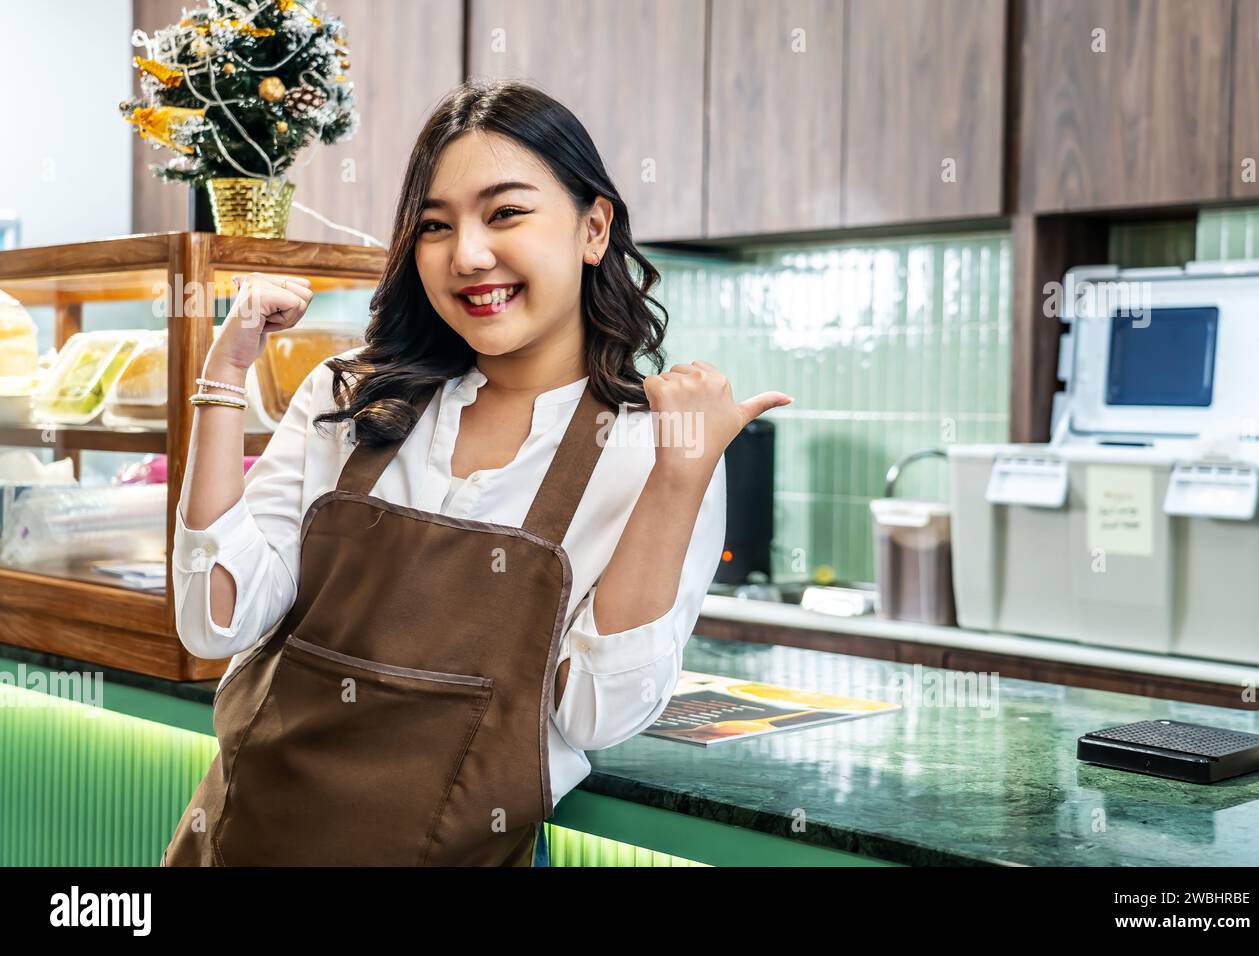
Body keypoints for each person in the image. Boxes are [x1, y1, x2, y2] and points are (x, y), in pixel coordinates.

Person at [161, 79, 791, 867]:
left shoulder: (655, 446)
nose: (467, 255)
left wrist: (678, 478)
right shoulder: (350, 395)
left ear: (594, 227)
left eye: (506, 213)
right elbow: (211, 620)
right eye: (434, 224)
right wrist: (225, 377)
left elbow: (598, 713)